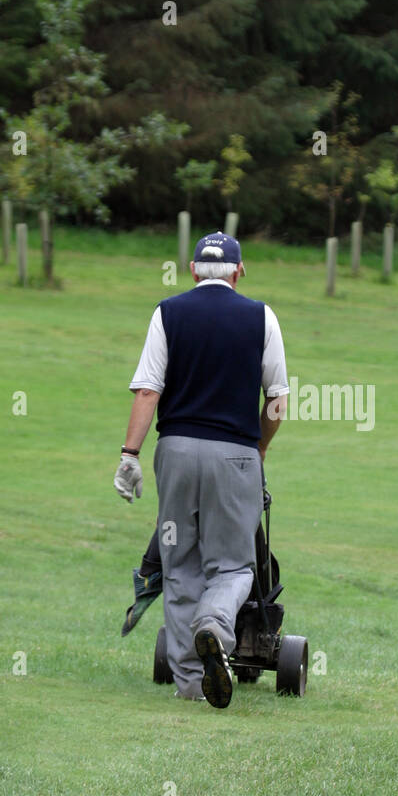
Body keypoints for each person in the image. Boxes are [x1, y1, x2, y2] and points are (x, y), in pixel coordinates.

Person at [113, 232, 289, 708]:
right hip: (234, 454)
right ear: (238, 271)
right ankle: (214, 621)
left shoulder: (167, 312)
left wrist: (129, 455)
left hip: (175, 453)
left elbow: (148, 391)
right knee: (233, 565)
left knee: (180, 562)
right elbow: (277, 400)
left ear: (192, 270)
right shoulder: (262, 317)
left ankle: (191, 686)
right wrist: (259, 449)